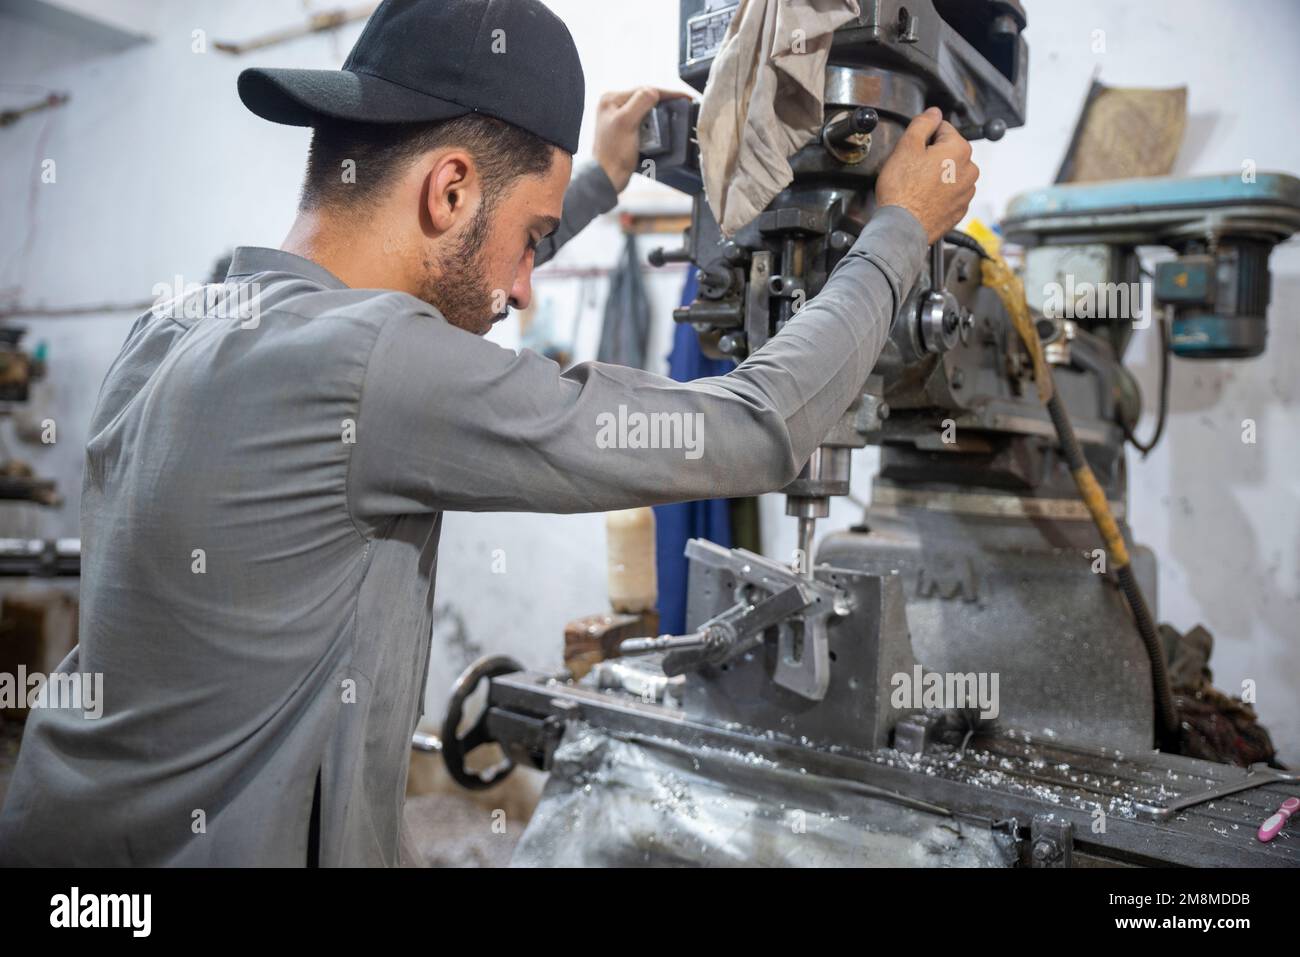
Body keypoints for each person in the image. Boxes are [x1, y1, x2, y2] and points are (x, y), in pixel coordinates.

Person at [0, 0, 977, 866]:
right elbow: (756, 427)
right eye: (531, 241)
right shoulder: (371, 365)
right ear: (451, 190)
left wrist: (591, 181)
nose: (522, 290)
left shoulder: (183, 322)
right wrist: (898, 232)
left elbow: (460, 281)